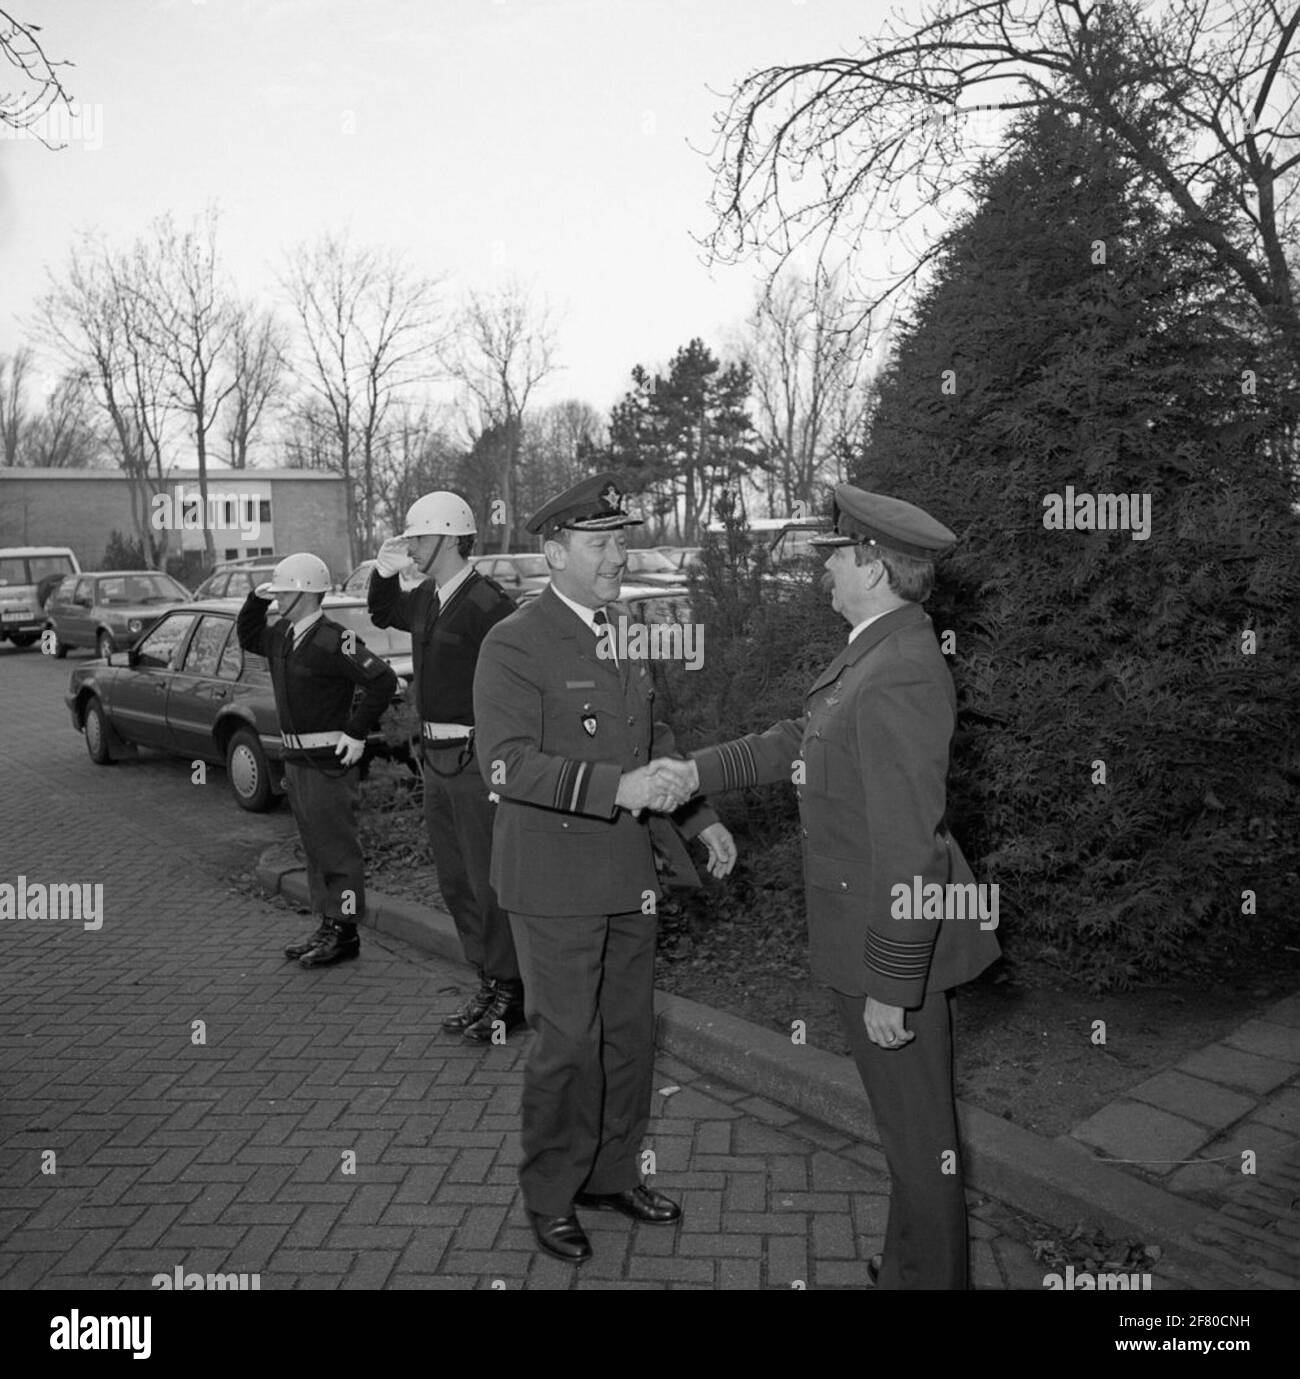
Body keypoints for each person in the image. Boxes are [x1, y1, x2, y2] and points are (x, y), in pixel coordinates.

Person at [652, 485, 1001, 1290]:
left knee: (923, 1147)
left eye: (836, 557)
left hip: (892, 947)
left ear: (875, 566)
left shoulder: (901, 669)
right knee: (907, 1136)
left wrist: (891, 980)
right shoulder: (875, 648)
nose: (825, 573)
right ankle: (910, 1270)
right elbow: (795, 741)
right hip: (868, 937)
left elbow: (910, 850)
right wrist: (695, 770)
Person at [472, 473, 737, 1265]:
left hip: (629, 876)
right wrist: (613, 788)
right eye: (601, 542)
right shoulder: (513, 643)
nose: (619, 554)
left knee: (628, 1037)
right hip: (552, 882)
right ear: (555, 552)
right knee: (568, 1043)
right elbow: (505, 764)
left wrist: (700, 815)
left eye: (621, 539)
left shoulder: (626, 633)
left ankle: (611, 1173)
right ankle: (552, 1193)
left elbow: (649, 744)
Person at [368, 492, 524, 1043]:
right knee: (455, 879)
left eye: (416, 537)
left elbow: (520, 686)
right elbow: (382, 613)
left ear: (450, 537)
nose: (408, 545)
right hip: (436, 761)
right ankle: (487, 979)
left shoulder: (488, 605)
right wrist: (385, 576)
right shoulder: (431, 597)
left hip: (477, 760)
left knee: (488, 879)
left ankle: (512, 990)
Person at [237, 552, 397, 969]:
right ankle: (328, 923)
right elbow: (249, 636)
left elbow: (381, 679)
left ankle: (345, 933)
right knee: (314, 849)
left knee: (338, 850)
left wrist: (357, 731)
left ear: (305, 593)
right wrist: (254, 601)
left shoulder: (333, 639)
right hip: (297, 760)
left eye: (282, 591)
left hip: (328, 762)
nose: (277, 599)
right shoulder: (282, 636)